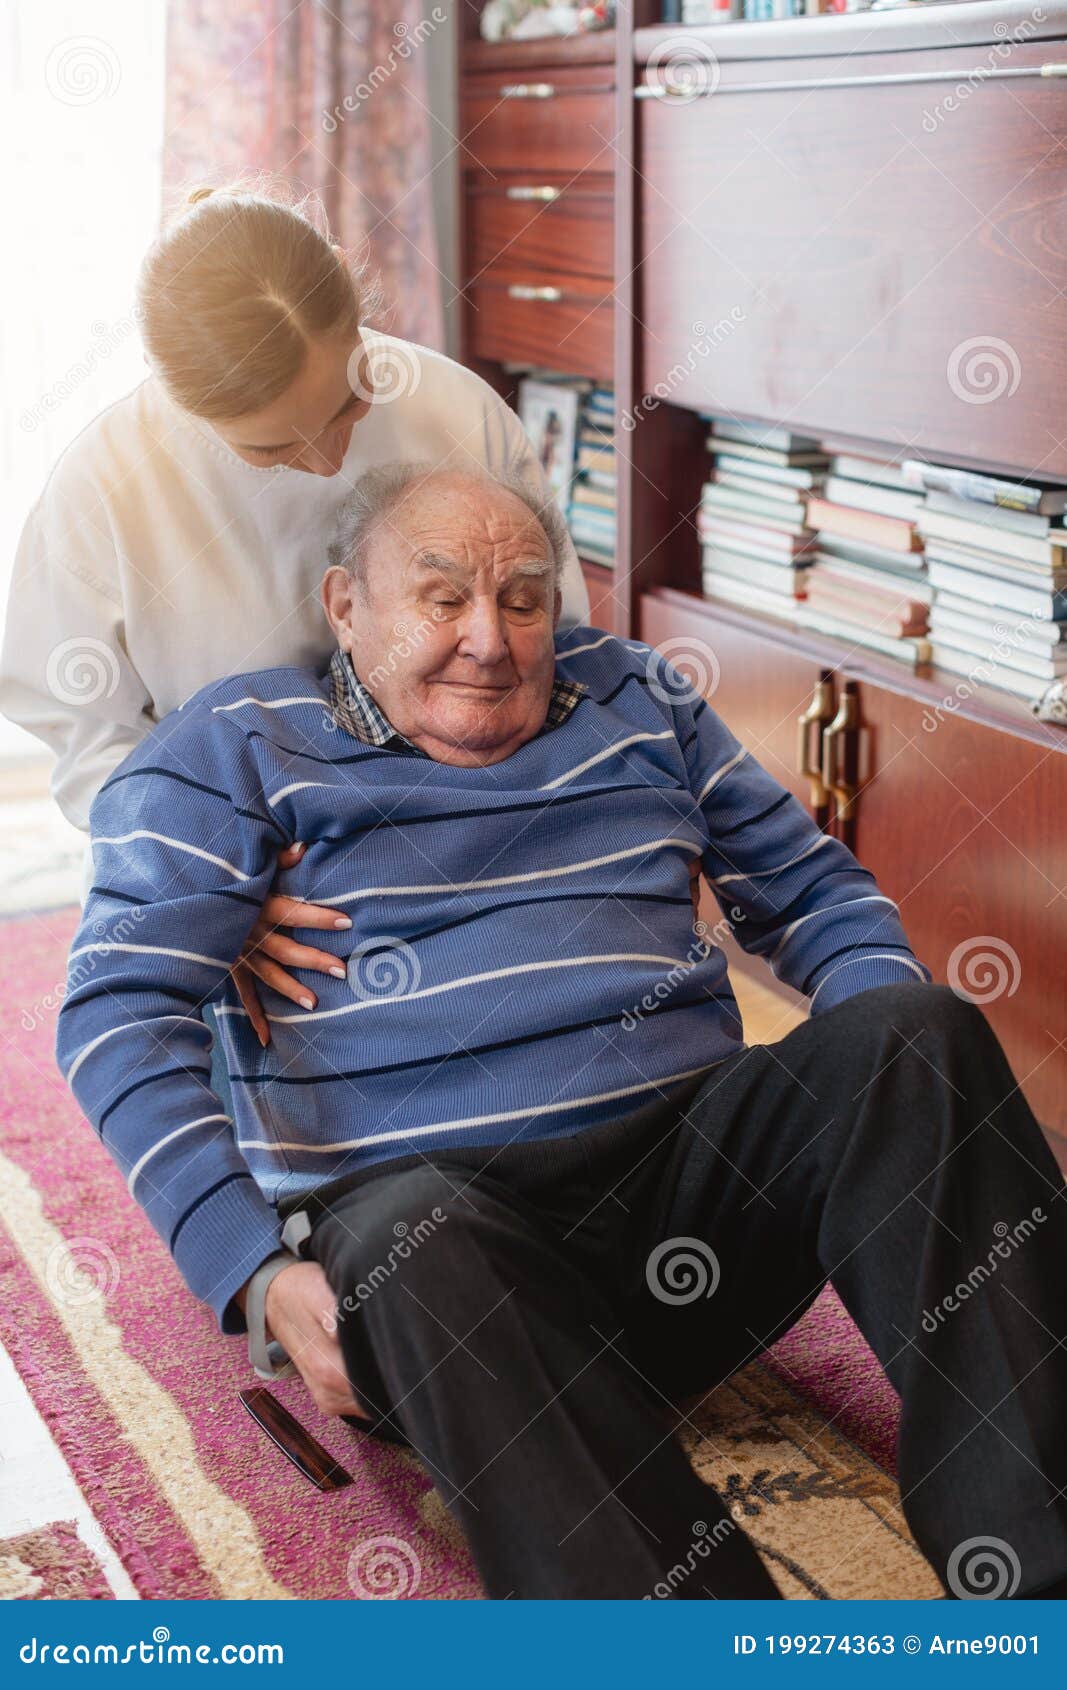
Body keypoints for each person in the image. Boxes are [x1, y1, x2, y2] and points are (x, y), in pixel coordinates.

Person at [55, 464, 1067, 1601]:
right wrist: (253, 1271)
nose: (489, 640)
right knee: (413, 1227)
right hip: (442, 1268)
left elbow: (814, 893)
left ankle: (1041, 1578)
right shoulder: (233, 745)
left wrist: (883, 1116)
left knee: (915, 1032)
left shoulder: (640, 693)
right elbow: (115, 1013)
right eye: (442, 598)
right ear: (346, 607)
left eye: (523, 599)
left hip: (694, 1207)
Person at [0, 181, 589, 1040]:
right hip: (242, 870)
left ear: (348, 285)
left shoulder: (455, 409)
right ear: (178, 397)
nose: (326, 460)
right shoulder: (104, 488)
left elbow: (553, 636)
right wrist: (208, 894)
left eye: (350, 403)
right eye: (272, 447)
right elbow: (89, 740)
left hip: (471, 830)